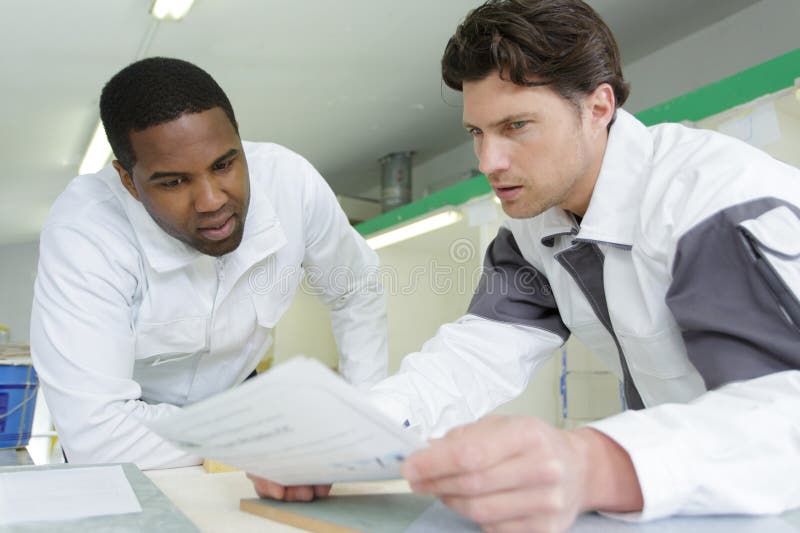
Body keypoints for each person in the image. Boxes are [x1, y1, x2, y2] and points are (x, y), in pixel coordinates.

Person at [363, 0, 800, 531]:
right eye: (477, 132)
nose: (488, 163)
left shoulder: (707, 202)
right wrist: (354, 437)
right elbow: (469, 361)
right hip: (687, 505)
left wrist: (589, 463)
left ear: (598, 107)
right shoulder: (535, 226)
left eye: (517, 125)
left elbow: (786, 414)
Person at [30, 57, 388, 470]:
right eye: (173, 182)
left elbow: (355, 288)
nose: (212, 200)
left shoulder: (291, 182)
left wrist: (369, 415)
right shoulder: (85, 233)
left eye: (224, 165)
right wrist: (259, 437)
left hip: (238, 429)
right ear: (128, 181)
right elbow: (99, 435)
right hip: (130, 457)